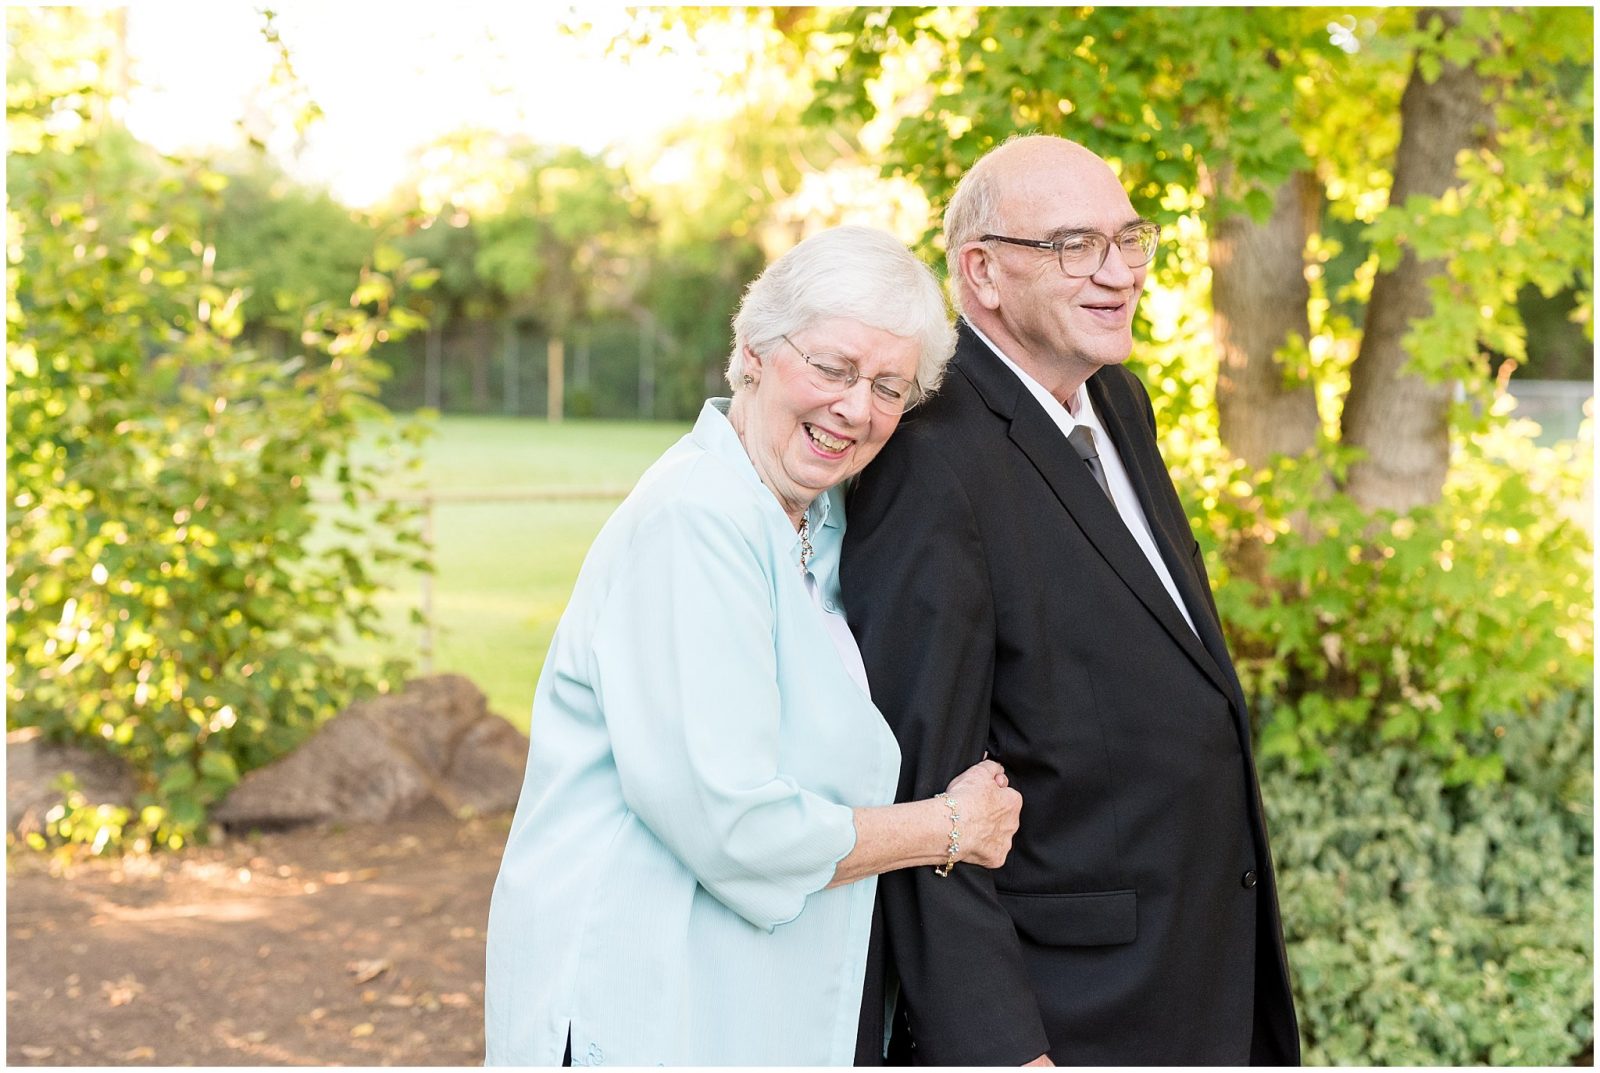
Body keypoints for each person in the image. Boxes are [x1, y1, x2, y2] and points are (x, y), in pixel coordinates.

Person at [484, 225, 1023, 1067]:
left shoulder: (821, 524)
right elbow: (733, 822)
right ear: (752, 352)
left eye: (890, 385)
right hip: (642, 1001)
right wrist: (950, 826)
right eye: (833, 367)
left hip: (738, 1002)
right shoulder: (695, 521)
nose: (857, 406)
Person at [843, 136, 1300, 1065]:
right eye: (1073, 246)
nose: (1119, 273)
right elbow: (925, 786)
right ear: (982, 273)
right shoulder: (930, 456)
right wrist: (1005, 1050)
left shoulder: (1120, 404)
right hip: (1069, 1017)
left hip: (1200, 977)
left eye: (1130, 239)